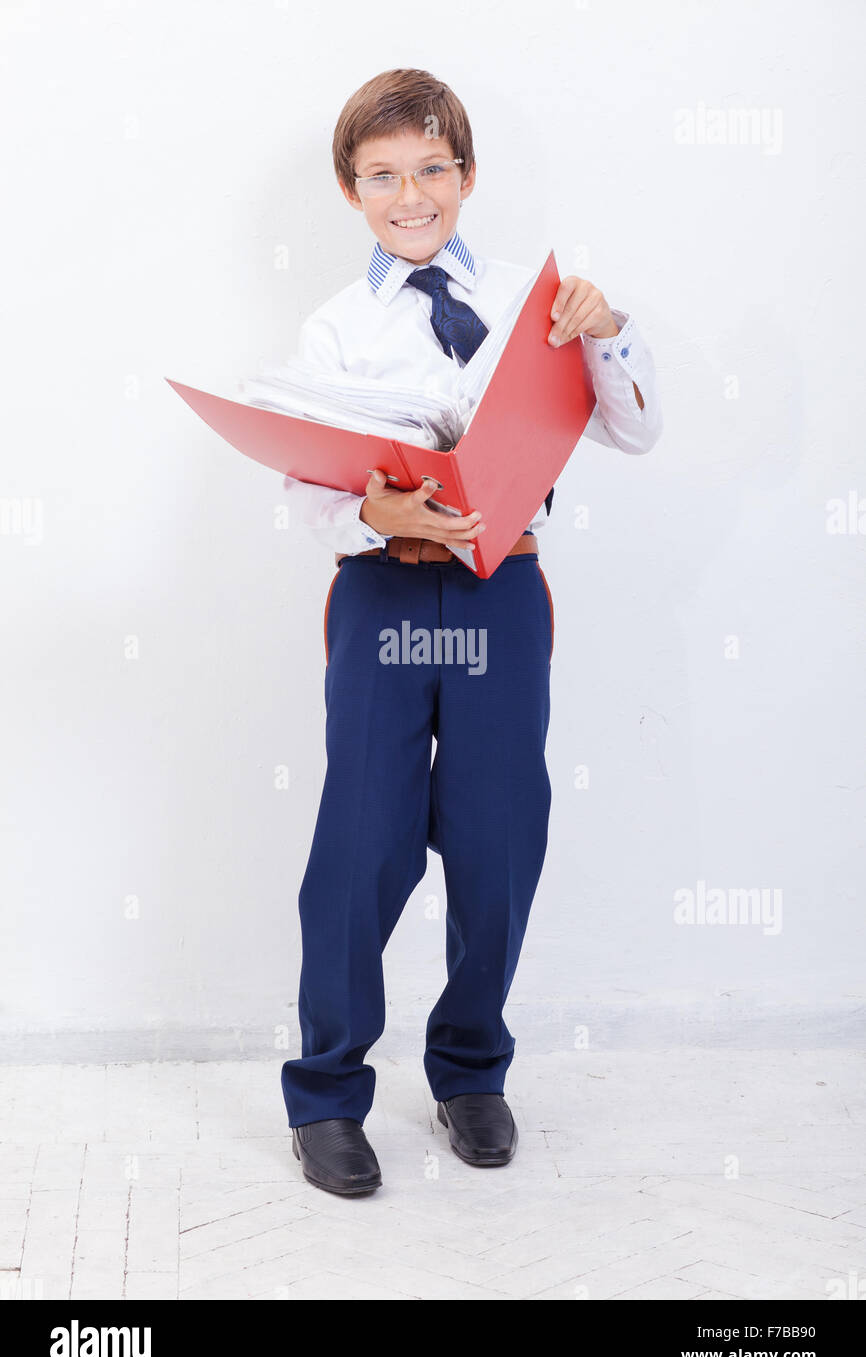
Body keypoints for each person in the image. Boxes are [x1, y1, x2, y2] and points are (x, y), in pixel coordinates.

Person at [279, 67, 663, 1197]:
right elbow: (304, 495)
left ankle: (468, 1070)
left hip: (500, 591)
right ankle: (327, 1089)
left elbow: (634, 434)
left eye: (431, 169)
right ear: (352, 191)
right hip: (387, 594)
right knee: (363, 840)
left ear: (467, 175)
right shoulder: (335, 328)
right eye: (383, 175)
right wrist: (372, 512)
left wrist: (613, 332)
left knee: (498, 838)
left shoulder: (533, 296)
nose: (411, 194)